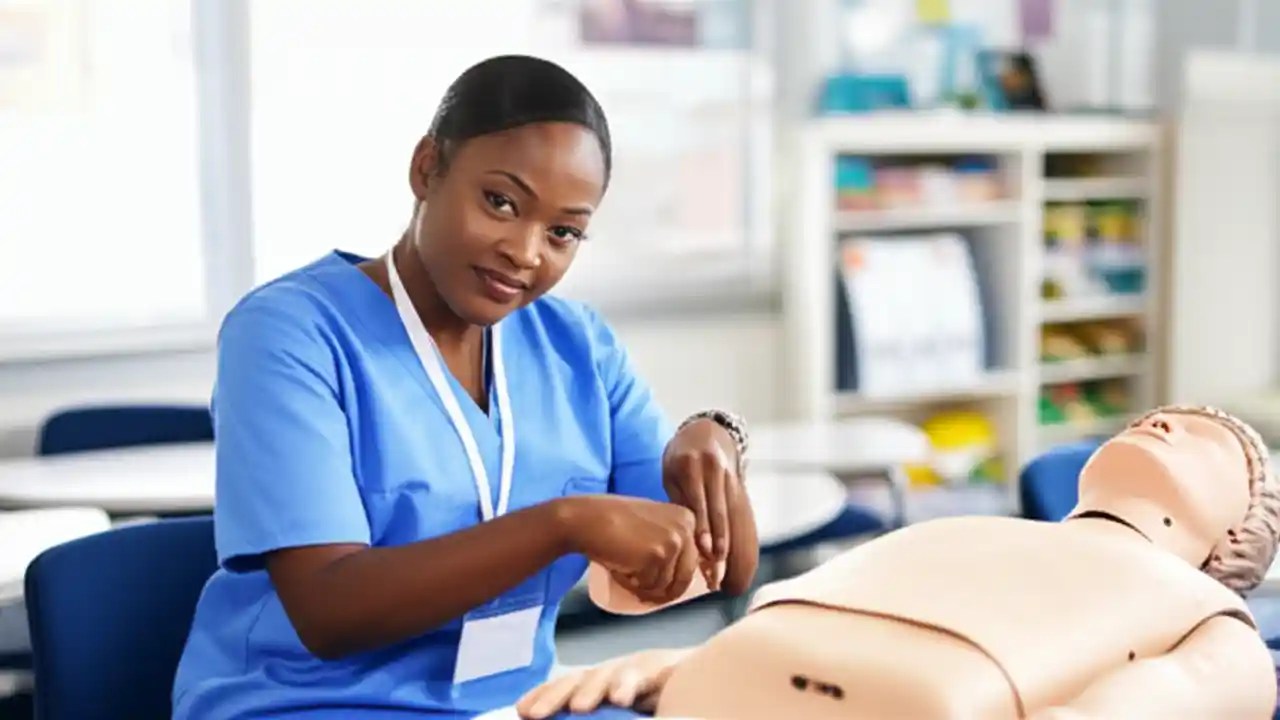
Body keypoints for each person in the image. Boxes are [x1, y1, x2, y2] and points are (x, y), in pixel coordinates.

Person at [171, 54, 759, 720]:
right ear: (427, 167)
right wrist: (565, 524)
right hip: (312, 705)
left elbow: (721, 573)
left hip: (519, 703)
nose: (527, 251)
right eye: (500, 202)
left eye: (563, 232)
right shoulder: (288, 333)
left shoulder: (576, 346)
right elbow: (328, 610)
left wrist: (712, 442)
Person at [516, 405, 1280, 720]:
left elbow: (1173, 700)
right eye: (1157, 417)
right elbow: (853, 607)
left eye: (1204, 437)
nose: (1163, 424)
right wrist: (691, 661)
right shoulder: (967, 532)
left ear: (1234, 538)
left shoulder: (1205, 613)